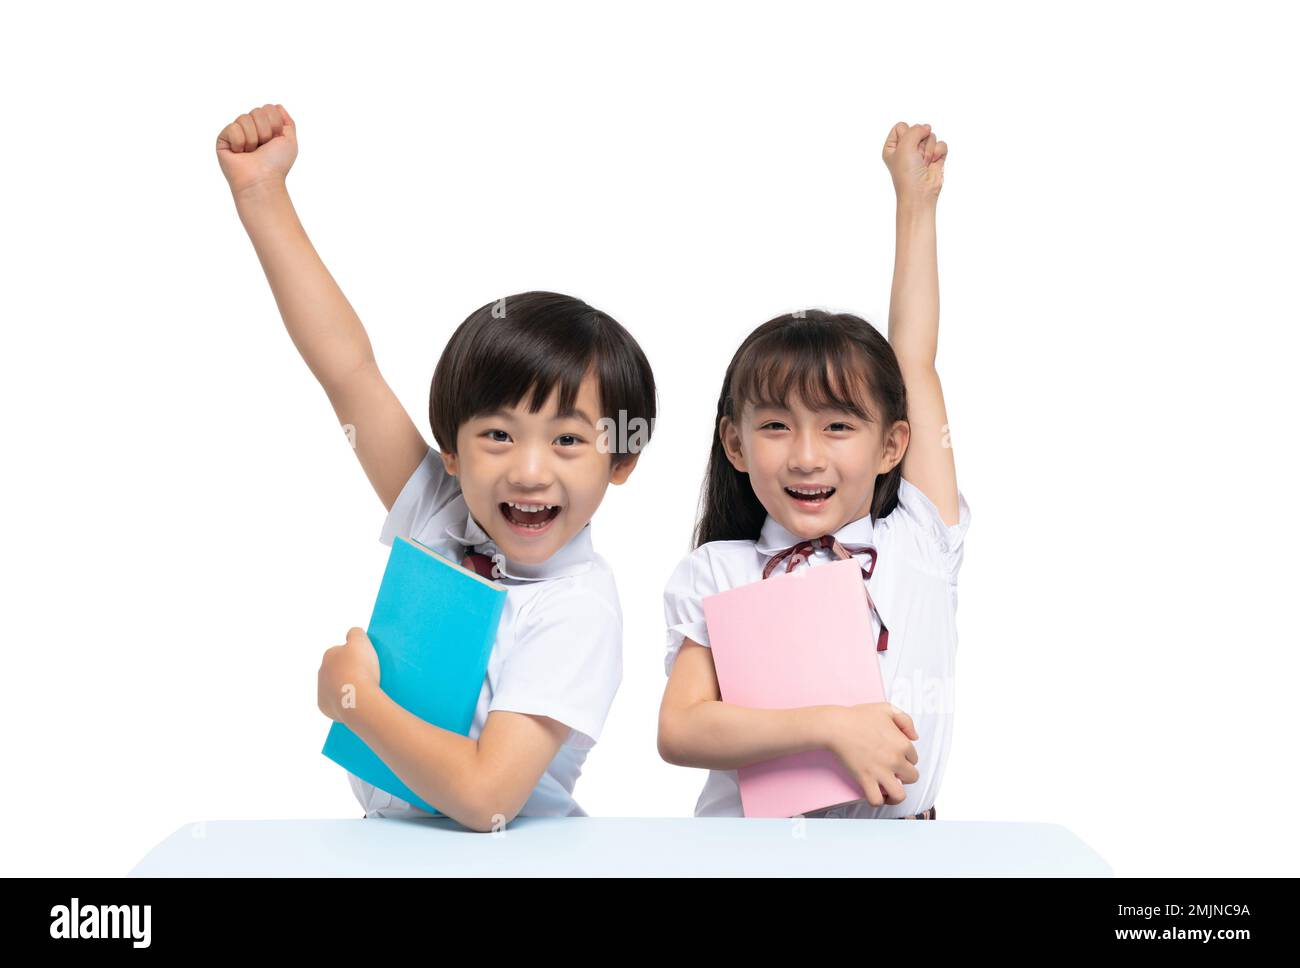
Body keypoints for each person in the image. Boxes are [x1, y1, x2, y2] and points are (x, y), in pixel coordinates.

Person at [216, 104, 657, 832]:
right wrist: (262, 194)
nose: (529, 471)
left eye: (570, 441)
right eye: (497, 436)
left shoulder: (577, 608)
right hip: (393, 848)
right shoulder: (441, 511)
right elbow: (349, 370)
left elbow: (486, 799)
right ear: (451, 450)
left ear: (623, 459)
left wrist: (355, 701)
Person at [658, 122, 969, 820]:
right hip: (749, 862)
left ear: (893, 446)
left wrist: (915, 205)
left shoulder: (919, 540)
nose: (805, 455)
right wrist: (832, 725)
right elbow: (680, 728)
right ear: (735, 447)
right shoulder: (722, 572)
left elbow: (913, 359)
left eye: (837, 426)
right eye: (774, 426)